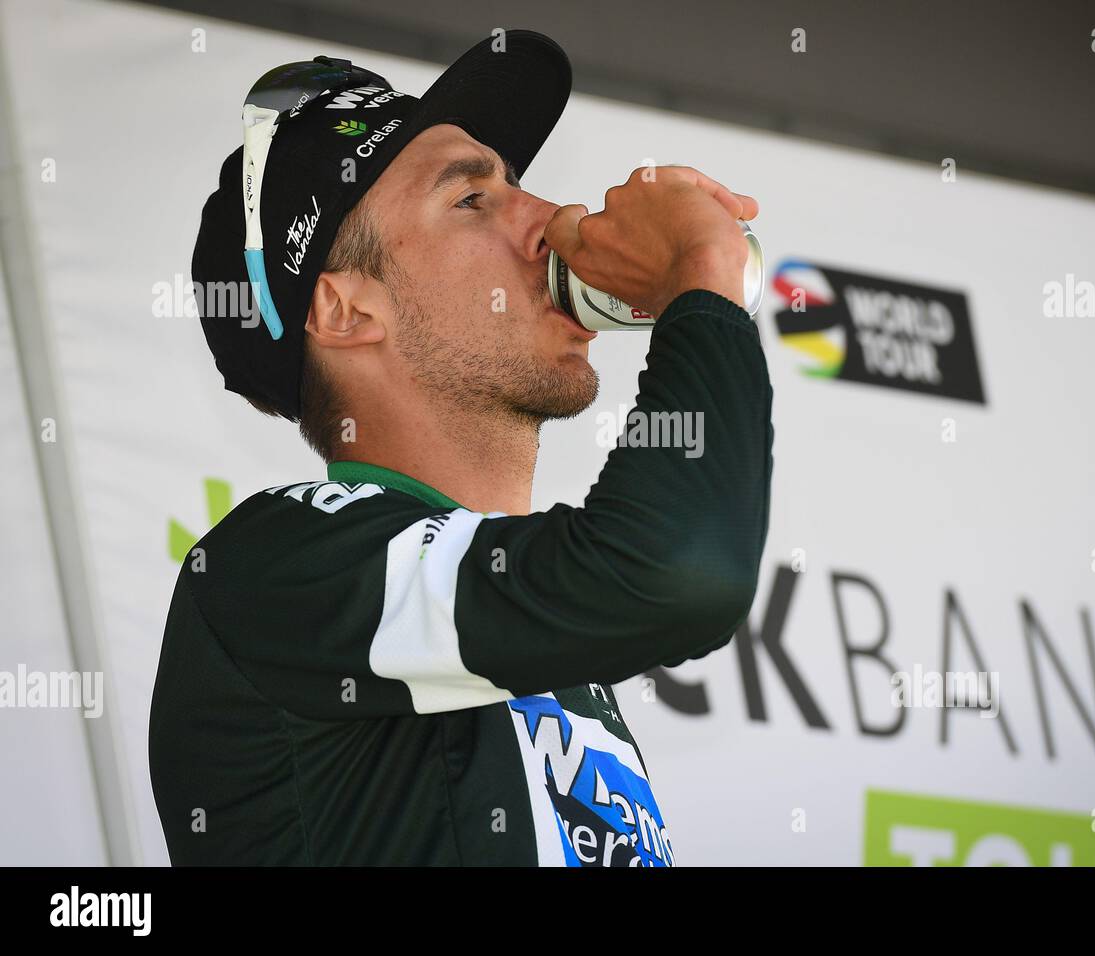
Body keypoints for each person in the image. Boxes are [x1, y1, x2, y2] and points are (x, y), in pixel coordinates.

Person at [149, 29, 773, 866]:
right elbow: (679, 572)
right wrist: (701, 270)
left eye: (514, 182)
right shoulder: (273, 566)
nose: (551, 220)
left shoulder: (514, 630)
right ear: (345, 312)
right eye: (471, 200)